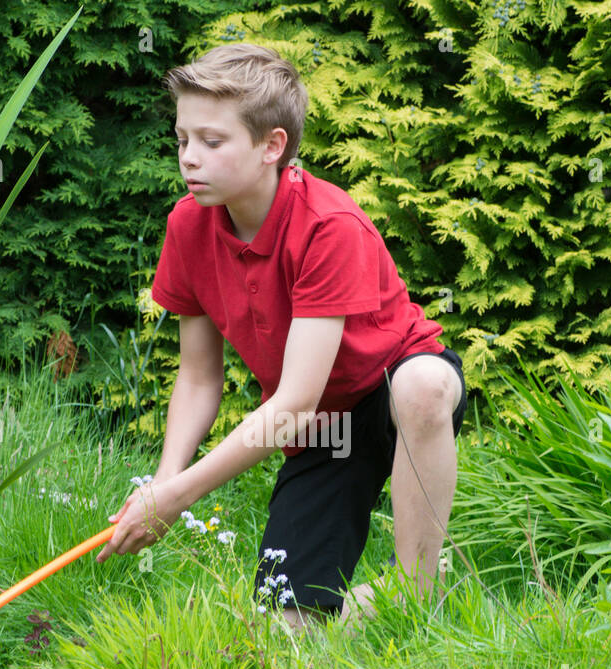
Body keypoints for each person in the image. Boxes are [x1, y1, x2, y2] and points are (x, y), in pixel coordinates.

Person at [95, 43, 467, 634]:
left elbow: (290, 405)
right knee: (284, 631)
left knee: (422, 384)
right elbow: (197, 377)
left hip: (388, 392)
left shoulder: (328, 226)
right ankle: (382, 605)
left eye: (212, 143)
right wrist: (163, 483)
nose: (189, 158)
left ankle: (421, 588)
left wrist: (182, 498)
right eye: (182, 140)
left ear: (272, 146)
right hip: (323, 429)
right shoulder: (187, 226)